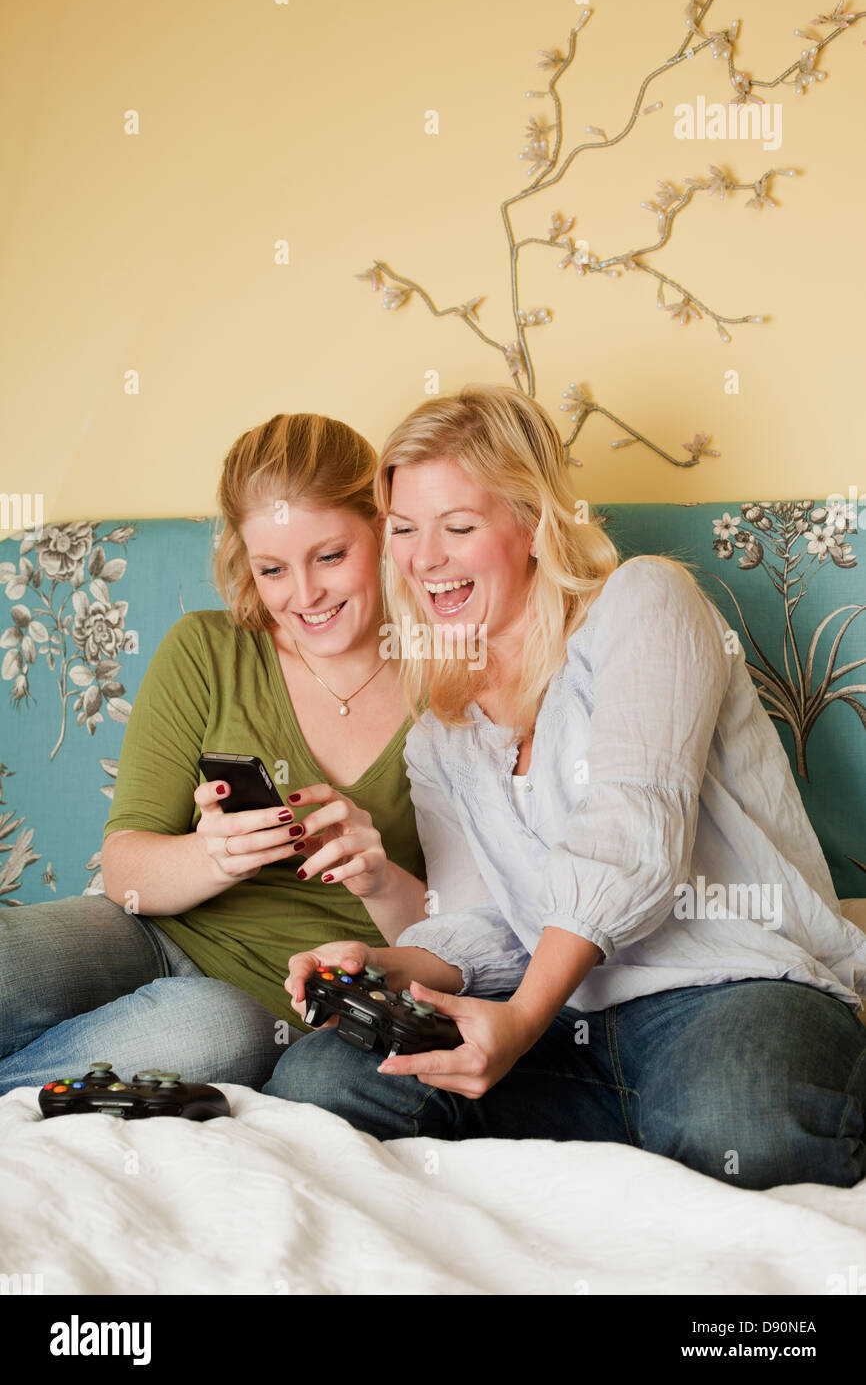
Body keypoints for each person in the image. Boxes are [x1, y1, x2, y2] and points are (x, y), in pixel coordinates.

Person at [264, 383, 866, 1191]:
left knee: (740, 1119)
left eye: (459, 526)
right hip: (565, 1029)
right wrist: (389, 965)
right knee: (320, 1085)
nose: (424, 558)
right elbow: (488, 922)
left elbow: (630, 839)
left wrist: (517, 1022)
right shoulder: (442, 728)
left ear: (534, 525)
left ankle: (686, 1129)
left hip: (726, 989)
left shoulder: (646, 602)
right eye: (404, 529)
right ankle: (635, 1146)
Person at [0, 412, 427, 1097]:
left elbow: (469, 937)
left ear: (382, 529)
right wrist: (215, 854)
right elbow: (123, 869)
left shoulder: (451, 678)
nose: (305, 595)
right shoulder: (206, 648)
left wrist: (375, 874)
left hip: (265, 1008)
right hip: (142, 936)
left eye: (330, 556)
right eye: (272, 569)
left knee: (212, 1032)